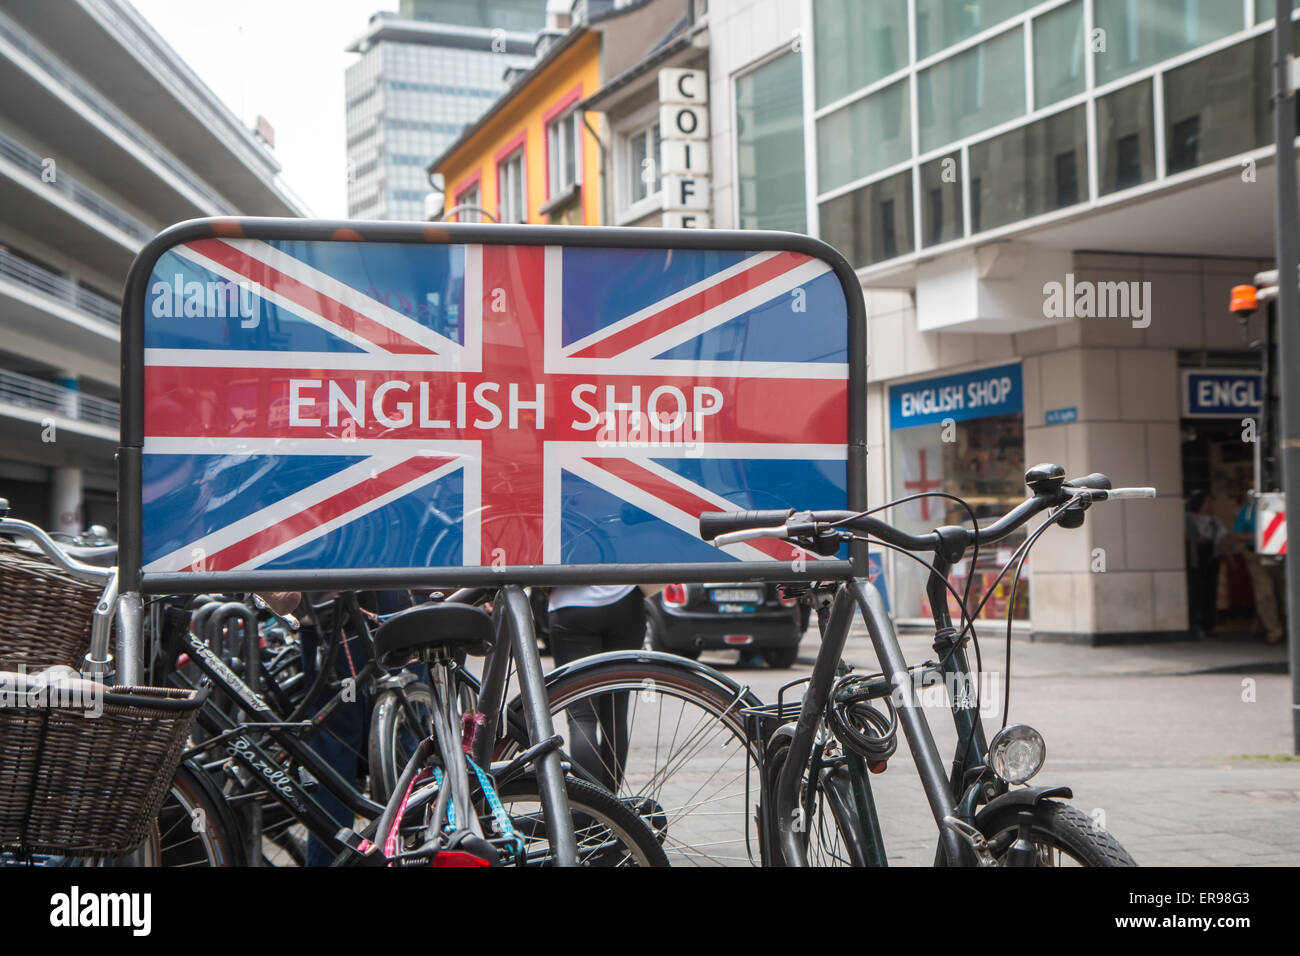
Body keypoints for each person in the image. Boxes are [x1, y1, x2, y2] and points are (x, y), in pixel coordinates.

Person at [546, 585, 645, 792]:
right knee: (616, 716)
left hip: (570, 604)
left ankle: (593, 809)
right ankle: (610, 811)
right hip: (624, 599)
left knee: (581, 718)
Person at [1232, 495, 1285, 644]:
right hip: (1255, 554)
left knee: (1281, 591)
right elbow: (1238, 533)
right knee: (1265, 591)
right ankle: (1274, 629)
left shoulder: (1280, 507)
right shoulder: (1248, 510)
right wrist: (1259, 537)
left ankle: (1276, 622)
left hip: (1278, 554)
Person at [1185, 491, 1226, 640]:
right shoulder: (1190, 519)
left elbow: (1221, 541)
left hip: (1211, 560)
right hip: (1195, 561)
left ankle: (1209, 625)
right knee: (1197, 593)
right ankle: (1197, 625)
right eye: (1207, 502)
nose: (1211, 505)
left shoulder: (1215, 521)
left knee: (1211, 593)